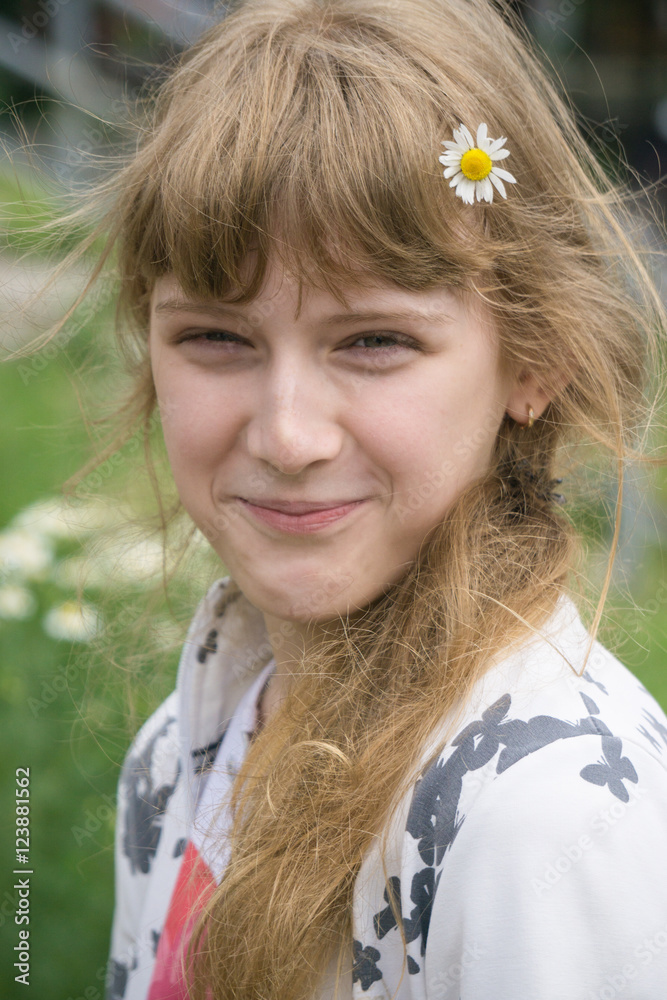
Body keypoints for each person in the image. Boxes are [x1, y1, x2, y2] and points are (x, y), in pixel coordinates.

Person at [69, 0, 667, 997]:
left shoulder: (548, 819)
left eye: (375, 340)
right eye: (216, 337)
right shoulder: (177, 757)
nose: (287, 435)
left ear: (534, 361)